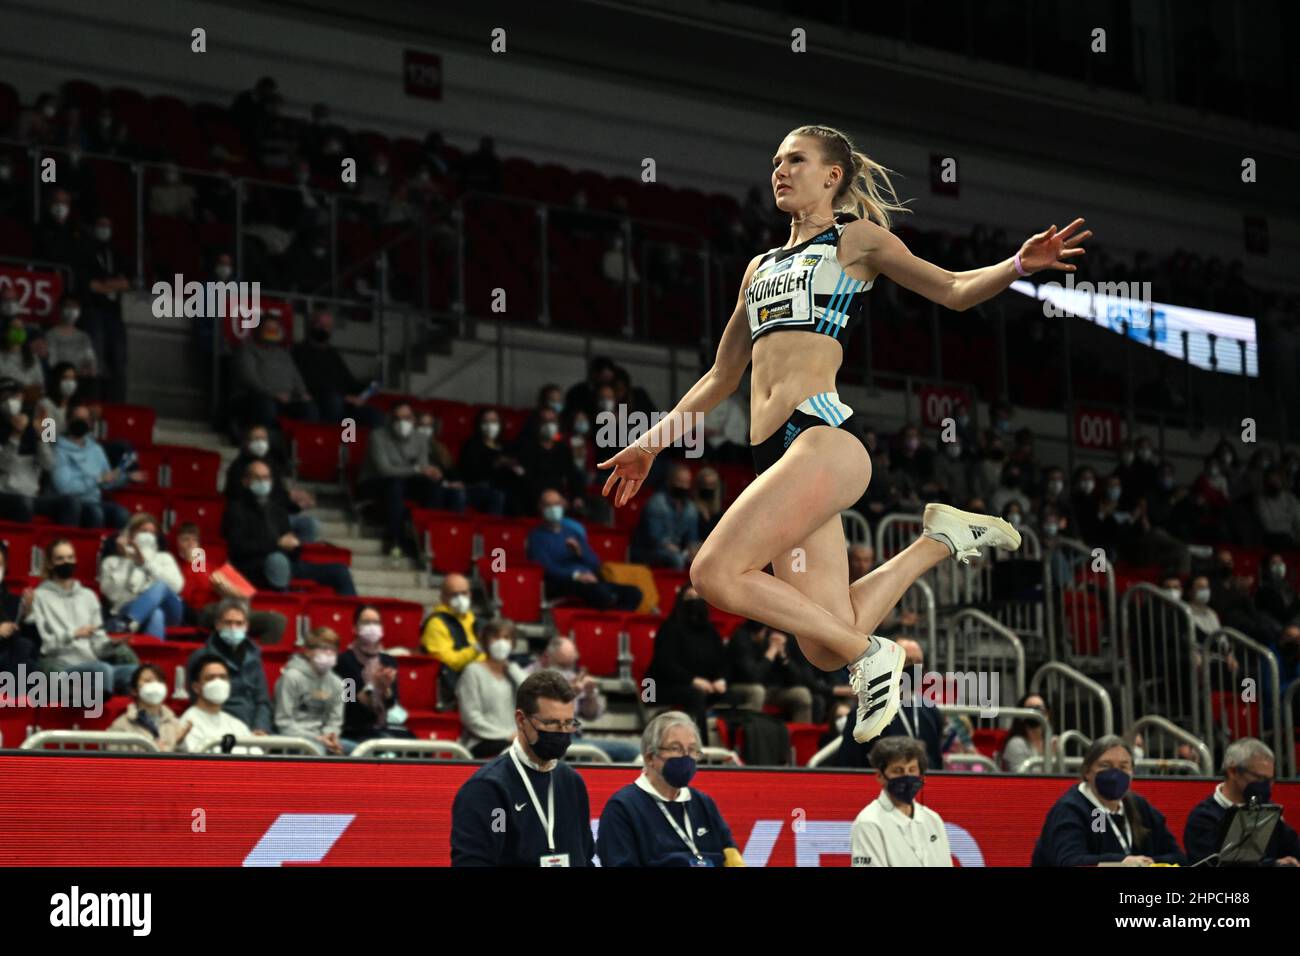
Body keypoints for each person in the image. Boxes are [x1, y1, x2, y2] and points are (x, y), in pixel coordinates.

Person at [597, 125, 1074, 743]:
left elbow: (952, 290)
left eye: (796, 159)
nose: (780, 169)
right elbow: (721, 375)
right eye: (775, 161)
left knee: (712, 573)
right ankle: (937, 541)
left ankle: (873, 655)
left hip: (823, 440)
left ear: (833, 176)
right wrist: (650, 442)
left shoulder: (855, 240)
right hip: (778, 457)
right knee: (822, 646)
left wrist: (1017, 265)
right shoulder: (759, 267)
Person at [450, 670, 595, 866]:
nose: (561, 733)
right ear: (521, 720)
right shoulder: (489, 790)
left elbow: (585, 858)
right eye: (551, 723)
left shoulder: (572, 783)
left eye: (568, 724)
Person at [597, 711, 745, 867]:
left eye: (692, 749)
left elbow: (731, 855)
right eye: (675, 748)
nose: (686, 757)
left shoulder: (704, 803)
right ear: (650, 757)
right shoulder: (623, 808)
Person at [1031, 735, 1186, 866]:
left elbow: (1178, 857)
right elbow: (1071, 861)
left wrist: (1148, 863)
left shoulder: (1140, 806)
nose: (1115, 773)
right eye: (1106, 765)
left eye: (1123, 766)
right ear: (1087, 772)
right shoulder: (1072, 809)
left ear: (1132, 772)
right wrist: (1121, 862)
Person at [222, 459, 356, 595]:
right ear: (246, 481)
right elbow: (238, 548)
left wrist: (294, 544)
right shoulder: (236, 510)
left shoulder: (277, 510)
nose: (263, 482)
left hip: (287, 563)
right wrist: (276, 544)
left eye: (266, 478)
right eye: (258, 478)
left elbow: (291, 549)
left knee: (339, 571)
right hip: (255, 567)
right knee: (278, 562)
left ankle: (357, 614)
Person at [31, 538, 137, 694]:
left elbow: (98, 644)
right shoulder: (39, 596)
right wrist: (73, 634)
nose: (66, 562)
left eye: (70, 557)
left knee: (138, 672)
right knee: (103, 670)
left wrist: (112, 644)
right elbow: (46, 646)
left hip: (92, 663)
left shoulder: (88, 596)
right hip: (61, 666)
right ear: (50, 563)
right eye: (60, 559)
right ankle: (96, 708)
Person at [359, 402, 462, 556]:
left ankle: (426, 539)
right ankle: (394, 539)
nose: (403, 422)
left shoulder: (420, 438)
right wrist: (416, 470)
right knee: (395, 485)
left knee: (433, 486)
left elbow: (423, 467)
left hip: (406, 481)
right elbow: (384, 470)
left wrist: (432, 473)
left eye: (407, 417)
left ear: (413, 420)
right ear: (390, 419)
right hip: (375, 482)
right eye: (398, 418)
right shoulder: (377, 436)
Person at [1183, 738, 1299, 867]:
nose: (1267, 786)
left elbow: (1294, 848)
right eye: (1259, 778)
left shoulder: (1268, 812)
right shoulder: (1203, 818)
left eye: (1270, 780)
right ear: (1233, 771)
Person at [525, 635, 639, 762]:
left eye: (570, 665)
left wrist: (590, 695)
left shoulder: (574, 675)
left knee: (632, 752)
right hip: (546, 736)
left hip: (573, 736)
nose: (567, 672)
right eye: (562, 666)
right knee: (627, 752)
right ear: (547, 657)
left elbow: (591, 714)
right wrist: (568, 693)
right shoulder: (528, 676)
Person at [526, 489, 641, 611]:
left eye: (557, 504)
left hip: (590, 580)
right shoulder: (536, 537)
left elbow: (595, 563)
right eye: (549, 505)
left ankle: (614, 623)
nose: (554, 508)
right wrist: (576, 575)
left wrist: (580, 552)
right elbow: (546, 568)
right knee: (600, 593)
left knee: (634, 593)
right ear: (541, 507)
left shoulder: (572, 533)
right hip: (562, 582)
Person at [173, 522, 288, 644]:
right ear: (177, 543)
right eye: (185, 540)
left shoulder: (212, 566)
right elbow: (190, 595)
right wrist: (196, 563)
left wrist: (228, 590)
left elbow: (247, 593)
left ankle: (257, 659)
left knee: (276, 620)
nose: (191, 544)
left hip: (231, 606)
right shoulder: (176, 566)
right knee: (226, 611)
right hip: (204, 611)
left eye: (194, 540)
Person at [850, 736, 952, 867]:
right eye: (898, 770)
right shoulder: (868, 823)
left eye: (912, 770)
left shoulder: (933, 819)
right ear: (880, 776)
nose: (907, 776)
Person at [646, 583, 730, 739]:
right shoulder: (669, 627)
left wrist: (721, 680)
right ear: (680, 601)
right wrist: (693, 680)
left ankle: (735, 745)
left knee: (733, 695)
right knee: (695, 695)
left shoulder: (710, 632)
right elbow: (664, 664)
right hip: (654, 687)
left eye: (698, 598)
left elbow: (722, 661)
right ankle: (700, 747)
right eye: (689, 598)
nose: (694, 602)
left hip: (702, 687)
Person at [183, 598, 273, 733]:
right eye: (228, 623)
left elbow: (262, 701)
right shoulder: (200, 657)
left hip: (254, 728)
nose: (233, 628)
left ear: (246, 626)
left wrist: (261, 728)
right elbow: (197, 699)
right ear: (218, 624)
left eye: (239, 623)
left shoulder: (254, 657)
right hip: (218, 728)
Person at [222, 424, 319, 544]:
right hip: (251, 518)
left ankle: (299, 556)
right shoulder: (237, 468)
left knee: (309, 524)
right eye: (256, 439)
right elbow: (236, 499)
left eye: (263, 439)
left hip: (275, 516)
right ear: (247, 442)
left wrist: (297, 504)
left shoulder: (272, 465)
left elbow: (278, 496)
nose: (260, 443)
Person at [290, 308, 383, 427]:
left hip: (344, 404)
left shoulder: (332, 354)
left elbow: (349, 382)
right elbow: (310, 383)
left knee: (375, 415)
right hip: (319, 401)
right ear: (311, 325)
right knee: (334, 401)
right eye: (320, 324)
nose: (324, 328)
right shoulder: (299, 351)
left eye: (328, 326)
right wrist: (344, 397)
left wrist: (369, 387)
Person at [98, 512, 185, 638]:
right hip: (127, 607)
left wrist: (145, 564)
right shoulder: (112, 562)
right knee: (156, 613)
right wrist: (126, 559)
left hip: (170, 610)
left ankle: (129, 622)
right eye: (143, 531)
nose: (148, 536)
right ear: (131, 534)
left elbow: (177, 587)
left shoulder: (164, 558)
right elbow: (113, 596)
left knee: (161, 586)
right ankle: (151, 656)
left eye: (152, 533)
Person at [335, 604, 412, 745]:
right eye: (366, 622)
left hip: (383, 726)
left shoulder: (388, 661)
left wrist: (386, 689)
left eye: (376, 623)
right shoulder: (344, 661)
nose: (372, 627)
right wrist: (372, 687)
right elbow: (348, 704)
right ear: (355, 628)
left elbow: (393, 704)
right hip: (355, 730)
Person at [51, 401, 134, 529]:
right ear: (68, 421)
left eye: (85, 419)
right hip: (73, 504)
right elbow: (64, 488)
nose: (82, 423)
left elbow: (107, 481)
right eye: (78, 419)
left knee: (122, 514)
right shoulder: (58, 449)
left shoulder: (96, 449)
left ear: (90, 423)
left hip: (95, 501)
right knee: (96, 514)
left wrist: (127, 477)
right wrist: (97, 479)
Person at [456, 619, 528, 757]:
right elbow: (470, 717)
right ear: (485, 642)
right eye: (495, 637)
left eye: (506, 638)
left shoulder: (513, 671)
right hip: (482, 741)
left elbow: (533, 695)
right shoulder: (472, 671)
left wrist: (512, 668)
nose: (501, 643)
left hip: (515, 739)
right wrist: (507, 736)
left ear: (512, 643)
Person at [232, 316, 318, 428]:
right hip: (259, 397)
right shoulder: (247, 350)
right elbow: (248, 378)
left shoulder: (284, 353)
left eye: (275, 329)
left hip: (288, 400)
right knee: (266, 405)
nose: (272, 331)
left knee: (309, 408)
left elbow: (296, 377)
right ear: (258, 330)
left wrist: (303, 393)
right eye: (268, 328)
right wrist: (273, 395)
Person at [273, 626, 346, 755]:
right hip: (294, 739)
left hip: (323, 738)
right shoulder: (291, 677)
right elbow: (283, 722)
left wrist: (329, 737)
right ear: (307, 651)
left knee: (358, 751)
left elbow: (335, 720)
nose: (329, 653)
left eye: (333, 649)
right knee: (318, 752)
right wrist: (317, 739)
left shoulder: (337, 683)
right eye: (323, 648)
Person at [727, 622, 818, 723]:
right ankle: (753, 733)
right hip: (746, 686)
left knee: (802, 694)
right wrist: (771, 651)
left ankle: (802, 736)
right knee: (758, 691)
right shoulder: (742, 638)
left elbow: (798, 679)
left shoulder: (778, 639)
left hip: (773, 690)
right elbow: (754, 676)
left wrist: (783, 655)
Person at [418, 573, 483, 702]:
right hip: (457, 684)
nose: (460, 598)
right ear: (443, 597)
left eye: (464, 593)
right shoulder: (436, 623)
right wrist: (476, 650)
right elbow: (448, 661)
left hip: (482, 677)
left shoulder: (474, 620)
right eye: (454, 594)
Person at [176, 654, 259, 754]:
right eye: (210, 678)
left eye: (223, 677)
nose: (218, 682)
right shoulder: (187, 724)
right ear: (196, 687)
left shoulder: (237, 725)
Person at [630, 463, 702, 570]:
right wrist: (677, 550)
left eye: (686, 483)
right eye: (679, 482)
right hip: (650, 551)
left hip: (677, 550)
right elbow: (654, 539)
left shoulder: (690, 509)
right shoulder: (657, 503)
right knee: (677, 559)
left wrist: (693, 551)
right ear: (670, 482)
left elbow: (691, 540)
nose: (682, 486)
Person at [107, 664, 186, 752]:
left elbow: (187, 762)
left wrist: (180, 743)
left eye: (159, 681)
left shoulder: (174, 723)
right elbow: (117, 763)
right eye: (148, 681)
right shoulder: (120, 727)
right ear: (134, 690)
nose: (155, 685)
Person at [0, 542, 39, 678]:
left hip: (11, 660)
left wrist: (28, 613)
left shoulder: (14, 601)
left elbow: (35, 643)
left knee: (26, 651)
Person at [1000, 693, 1052, 772]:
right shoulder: (1016, 743)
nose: (1035, 713)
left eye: (1039, 708)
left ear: (1047, 714)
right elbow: (1023, 778)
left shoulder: (1053, 743)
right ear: (1021, 715)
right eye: (1030, 709)